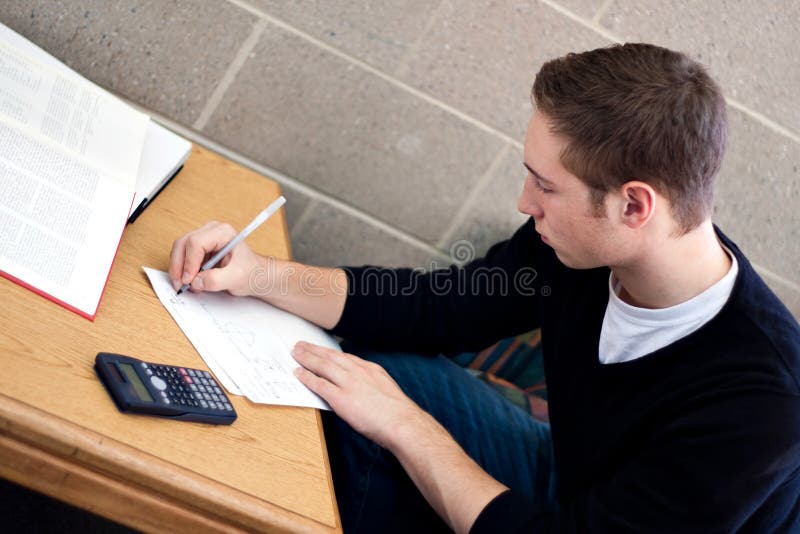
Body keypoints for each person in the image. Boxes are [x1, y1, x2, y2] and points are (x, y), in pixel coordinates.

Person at [169, 43, 800, 533]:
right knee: (347, 372)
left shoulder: (761, 409)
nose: (525, 203)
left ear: (634, 206)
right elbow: (436, 309)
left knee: (379, 420)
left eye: (546, 187)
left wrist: (407, 429)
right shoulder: (576, 250)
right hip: (568, 477)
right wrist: (261, 275)